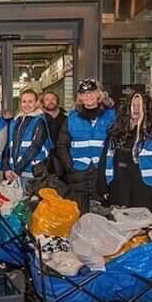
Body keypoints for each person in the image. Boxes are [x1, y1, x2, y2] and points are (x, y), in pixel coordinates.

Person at [98, 93, 152, 214]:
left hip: (148, 190)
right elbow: (105, 159)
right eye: (133, 105)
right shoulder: (116, 131)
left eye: (140, 106)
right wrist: (103, 185)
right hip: (119, 188)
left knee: (147, 227)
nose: (136, 109)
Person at [56, 78, 116, 213]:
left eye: (91, 92)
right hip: (78, 172)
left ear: (98, 94)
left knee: (102, 214)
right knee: (78, 212)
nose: (88, 96)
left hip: (102, 171)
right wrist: (69, 166)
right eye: (84, 93)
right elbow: (62, 144)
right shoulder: (72, 118)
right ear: (80, 97)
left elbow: (117, 142)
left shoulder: (111, 115)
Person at [3, 88, 52, 194]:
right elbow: (8, 146)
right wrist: (6, 168)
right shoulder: (15, 121)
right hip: (14, 172)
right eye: (24, 101)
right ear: (20, 103)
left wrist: (17, 170)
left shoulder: (39, 121)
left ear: (36, 103)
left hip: (31, 173)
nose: (27, 104)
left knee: (29, 207)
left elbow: (35, 148)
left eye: (31, 101)